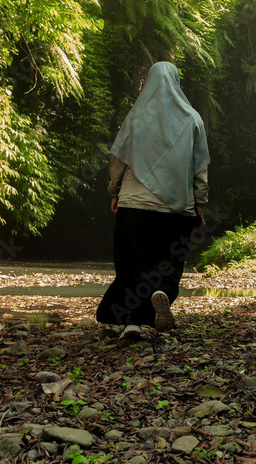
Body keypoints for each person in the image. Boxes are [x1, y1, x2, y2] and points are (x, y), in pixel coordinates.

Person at [95, 61, 209, 337]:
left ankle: (127, 321)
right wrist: (200, 204)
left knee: (132, 264)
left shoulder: (136, 118)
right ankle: (162, 294)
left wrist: (115, 190)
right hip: (177, 208)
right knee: (169, 262)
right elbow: (200, 167)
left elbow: (118, 160)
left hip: (134, 205)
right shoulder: (192, 119)